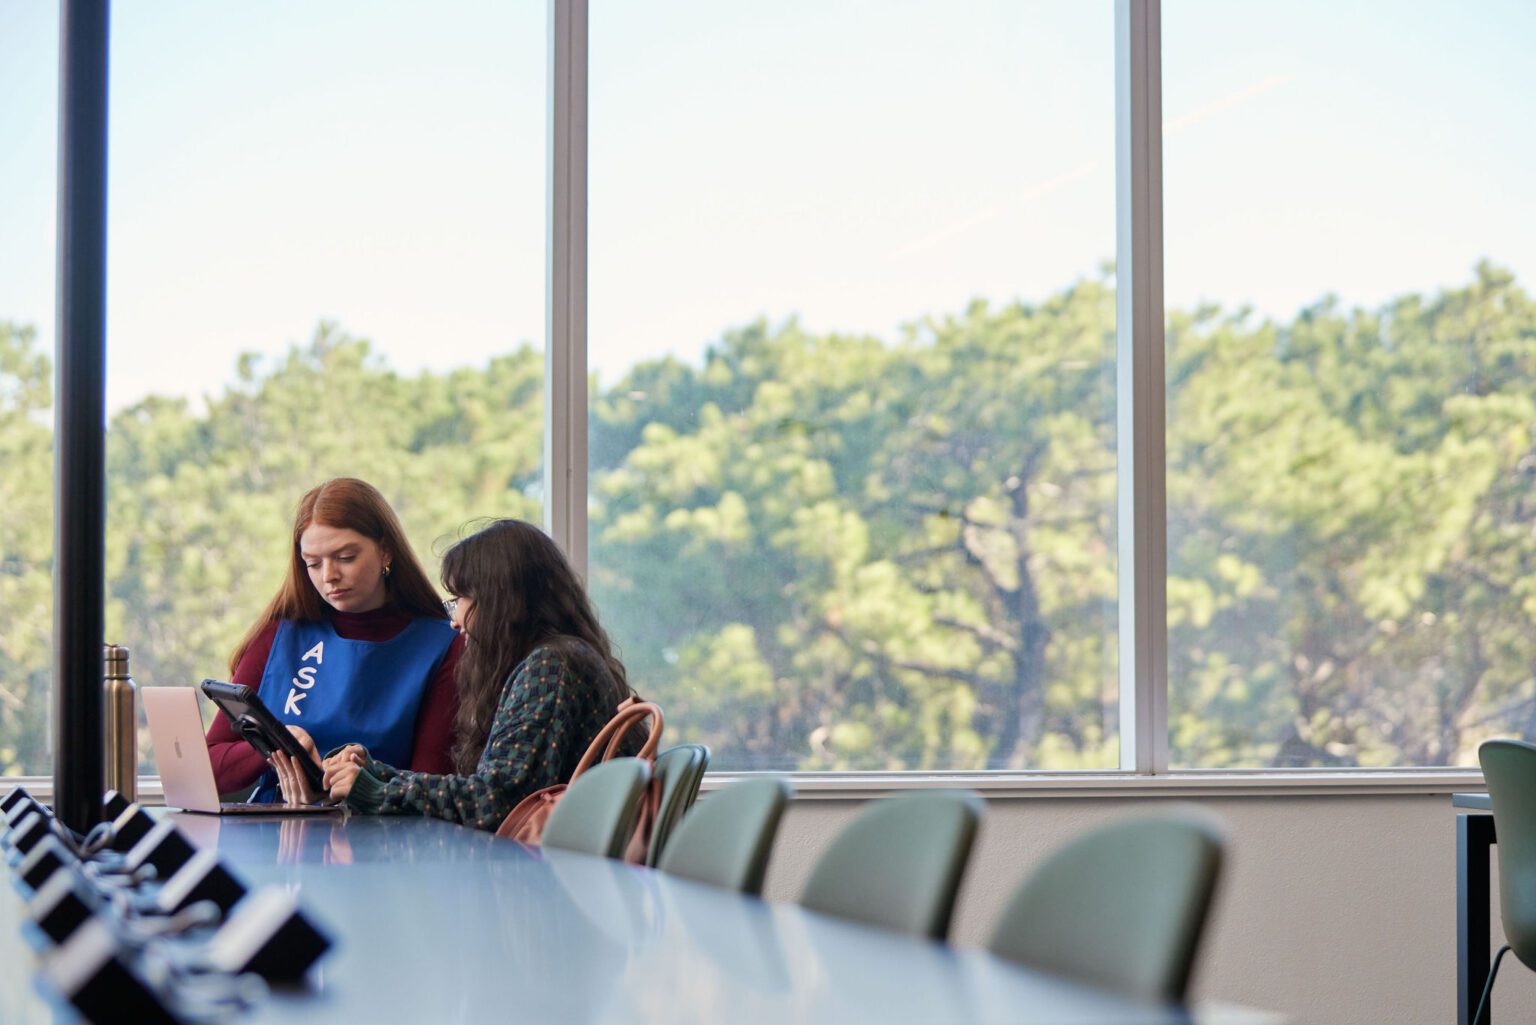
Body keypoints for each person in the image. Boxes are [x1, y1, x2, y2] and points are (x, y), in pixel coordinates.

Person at [269, 518, 638, 832]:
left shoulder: (550, 669)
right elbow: (489, 790)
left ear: (498, 600)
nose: (454, 617)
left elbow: (495, 802)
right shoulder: (559, 659)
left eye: (460, 598)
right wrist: (374, 772)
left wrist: (374, 791)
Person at [207, 478, 463, 803]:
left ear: (386, 550)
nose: (328, 576)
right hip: (271, 834)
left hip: (382, 840)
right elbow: (209, 766)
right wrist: (279, 743)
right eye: (313, 563)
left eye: (344, 557)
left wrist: (360, 785)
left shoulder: (443, 645)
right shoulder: (277, 635)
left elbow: (433, 785)